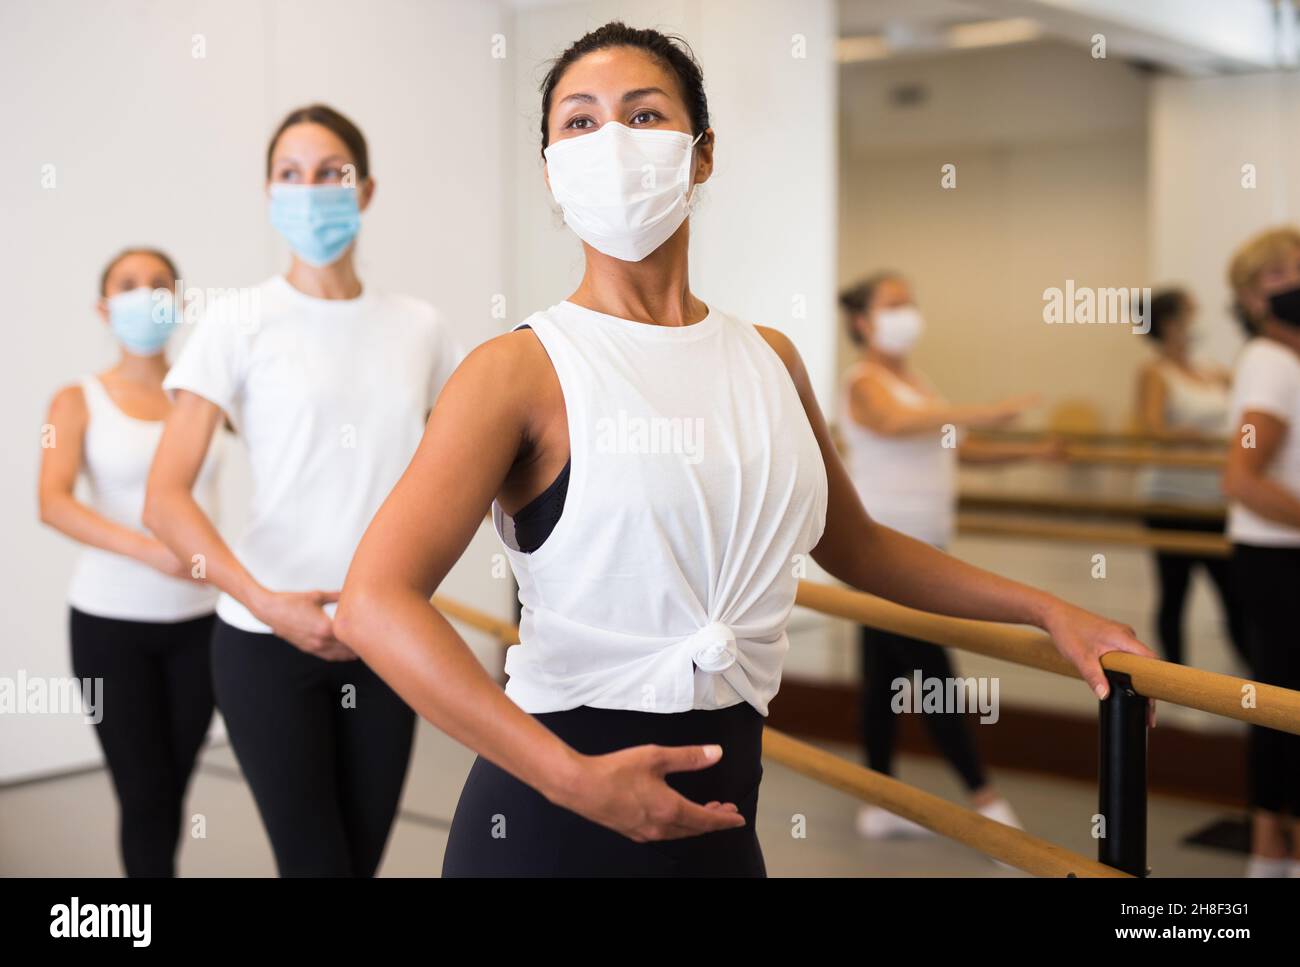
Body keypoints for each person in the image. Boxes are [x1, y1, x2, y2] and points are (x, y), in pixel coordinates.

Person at [335, 21, 1155, 877]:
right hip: (555, 821)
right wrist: (572, 779)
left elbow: (860, 547)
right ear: (551, 169)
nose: (612, 140)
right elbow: (375, 600)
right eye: (580, 122)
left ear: (702, 153)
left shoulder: (770, 358)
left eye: (643, 114)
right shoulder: (516, 371)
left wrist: (1052, 611)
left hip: (726, 822)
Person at [144, 104, 463, 877]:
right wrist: (264, 600)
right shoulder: (239, 320)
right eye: (291, 174)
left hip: (383, 638)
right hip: (264, 640)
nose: (310, 189)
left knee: (358, 863)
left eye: (331, 173)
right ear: (268, 192)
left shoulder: (419, 328)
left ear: (368, 189)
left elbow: (466, 474)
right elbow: (164, 497)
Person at [837, 272, 1060, 841]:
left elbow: (958, 447)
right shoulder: (863, 382)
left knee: (885, 672)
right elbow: (891, 421)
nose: (908, 311)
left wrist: (1031, 451)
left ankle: (877, 796)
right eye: (894, 304)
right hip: (883, 550)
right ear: (863, 322)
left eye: (911, 301)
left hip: (923, 544)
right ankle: (984, 800)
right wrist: (984, 410)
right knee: (932, 669)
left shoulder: (919, 381)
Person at [38, 248, 223, 876]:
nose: (145, 295)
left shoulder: (206, 399)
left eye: (158, 284)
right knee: (143, 794)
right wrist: (156, 550)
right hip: (109, 628)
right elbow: (53, 503)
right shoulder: (77, 399)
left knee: (171, 787)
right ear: (102, 306)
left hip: (202, 626)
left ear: (181, 301)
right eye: (128, 284)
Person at [1223, 227, 1300, 878]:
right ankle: (1274, 848)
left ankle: (1271, 848)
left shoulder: (1285, 359)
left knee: (1280, 697)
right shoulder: (1271, 363)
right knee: (1283, 701)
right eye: (1283, 275)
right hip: (1278, 559)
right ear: (1252, 297)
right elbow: (1242, 478)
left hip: (1278, 554)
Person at [1133, 287, 1246, 669]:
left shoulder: (1210, 368)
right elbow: (1148, 427)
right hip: (1171, 500)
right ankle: (1175, 680)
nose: (1199, 321)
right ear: (1169, 323)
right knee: (1175, 593)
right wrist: (1181, 435)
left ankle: (1263, 691)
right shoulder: (1154, 372)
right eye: (1191, 313)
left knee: (1235, 595)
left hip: (1215, 499)